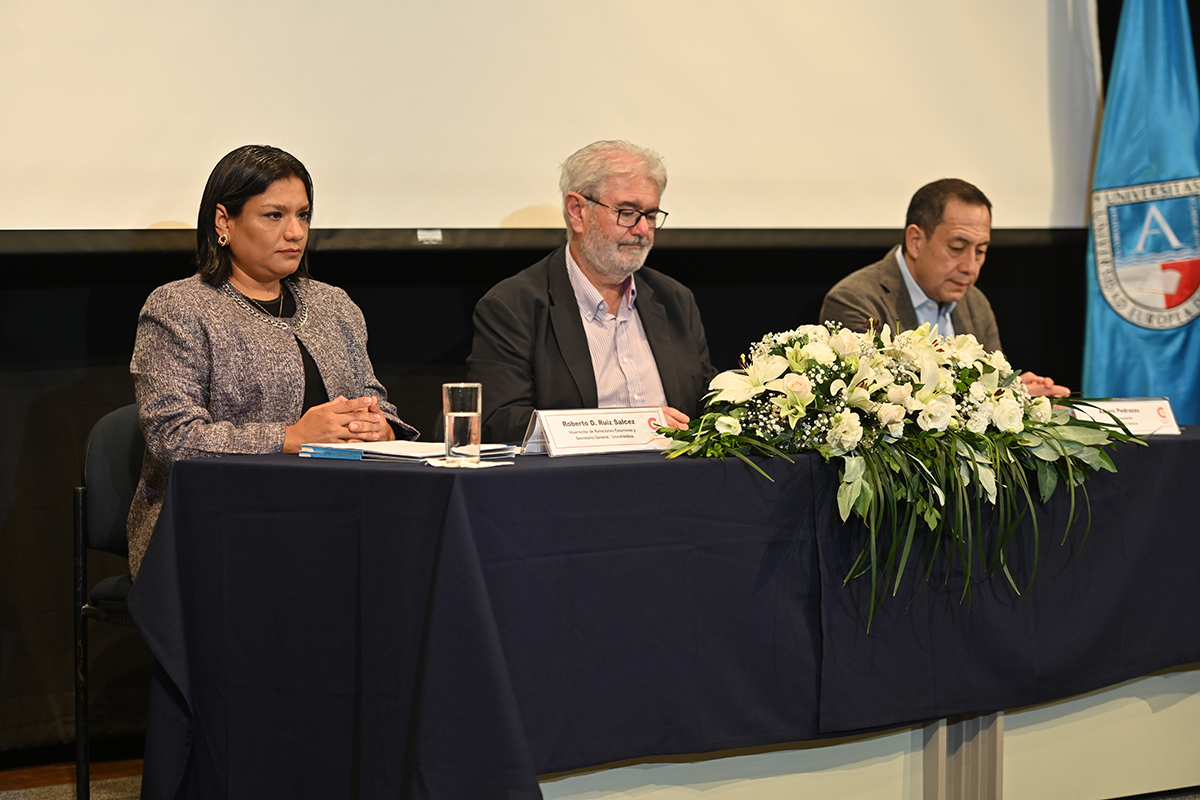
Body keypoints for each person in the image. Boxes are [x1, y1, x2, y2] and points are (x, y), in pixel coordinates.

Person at [127, 145, 417, 578]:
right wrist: (290, 437)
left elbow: (375, 400)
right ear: (224, 221)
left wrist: (382, 427)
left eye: (303, 215)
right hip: (217, 530)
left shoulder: (333, 304)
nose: (296, 232)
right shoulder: (179, 307)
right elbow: (175, 440)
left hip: (338, 517)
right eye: (274, 215)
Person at [467, 140, 715, 442]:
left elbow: (708, 402)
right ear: (577, 211)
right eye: (627, 212)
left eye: (650, 216)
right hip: (573, 484)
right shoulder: (513, 307)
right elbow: (500, 422)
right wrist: (632, 427)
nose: (642, 230)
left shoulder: (674, 300)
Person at [819, 178, 1069, 397]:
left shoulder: (975, 303)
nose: (971, 267)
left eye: (981, 251)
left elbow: (993, 386)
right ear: (916, 241)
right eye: (957, 248)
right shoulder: (854, 301)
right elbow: (876, 404)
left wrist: (1014, 392)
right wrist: (998, 397)